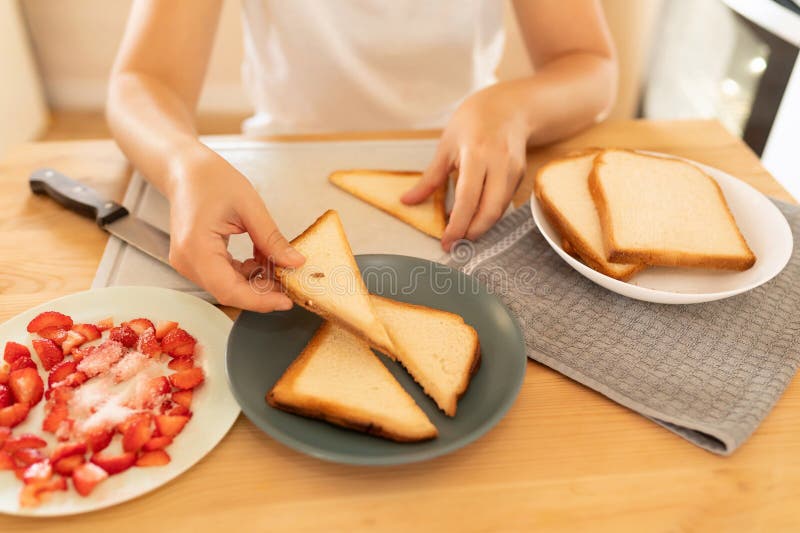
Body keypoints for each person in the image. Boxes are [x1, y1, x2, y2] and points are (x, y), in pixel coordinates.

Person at [106, 0, 617, 312]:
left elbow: (590, 66)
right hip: (278, 168)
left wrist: (512, 107)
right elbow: (143, 82)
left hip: (471, 157)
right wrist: (183, 164)